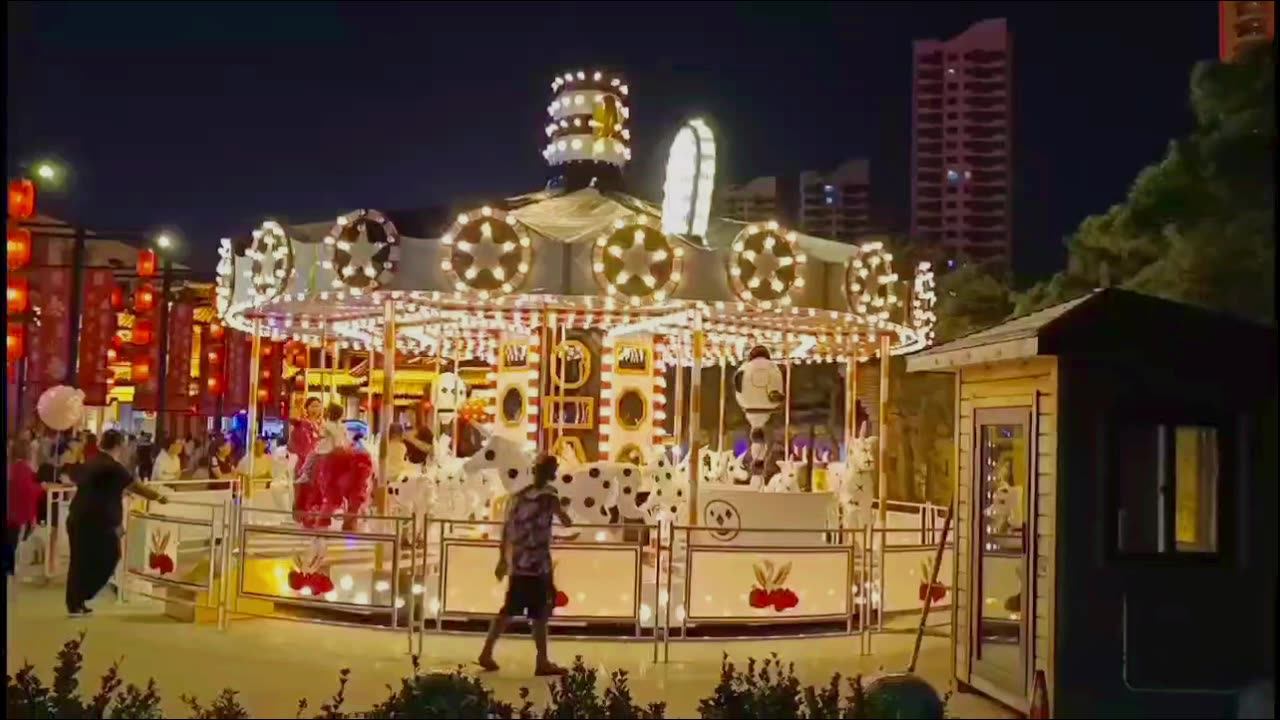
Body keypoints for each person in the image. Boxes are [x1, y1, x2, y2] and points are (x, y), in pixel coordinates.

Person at [477, 454, 572, 676]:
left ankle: (488, 651)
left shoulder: (517, 498)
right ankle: (541, 660)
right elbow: (566, 521)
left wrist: (503, 558)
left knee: (509, 609)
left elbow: (506, 529)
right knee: (539, 613)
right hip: (538, 565)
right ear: (551, 474)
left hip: (519, 563)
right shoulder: (549, 497)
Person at [65, 429, 169, 616]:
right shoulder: (113, 467)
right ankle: (82, 595)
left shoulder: (92, 461)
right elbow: (135, 486)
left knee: (78, 561)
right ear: (119, 445)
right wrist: (159, 497)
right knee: (110, 556)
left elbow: (77, 478)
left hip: (78, 516)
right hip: (96, 521)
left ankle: (75, 602)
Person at [6, 439, 43, 583]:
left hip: (11, 511)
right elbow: (28, 491)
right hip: (18, 513)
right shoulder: (23, 469)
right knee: (16, 543)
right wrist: (40, 488)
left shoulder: (11, 467)